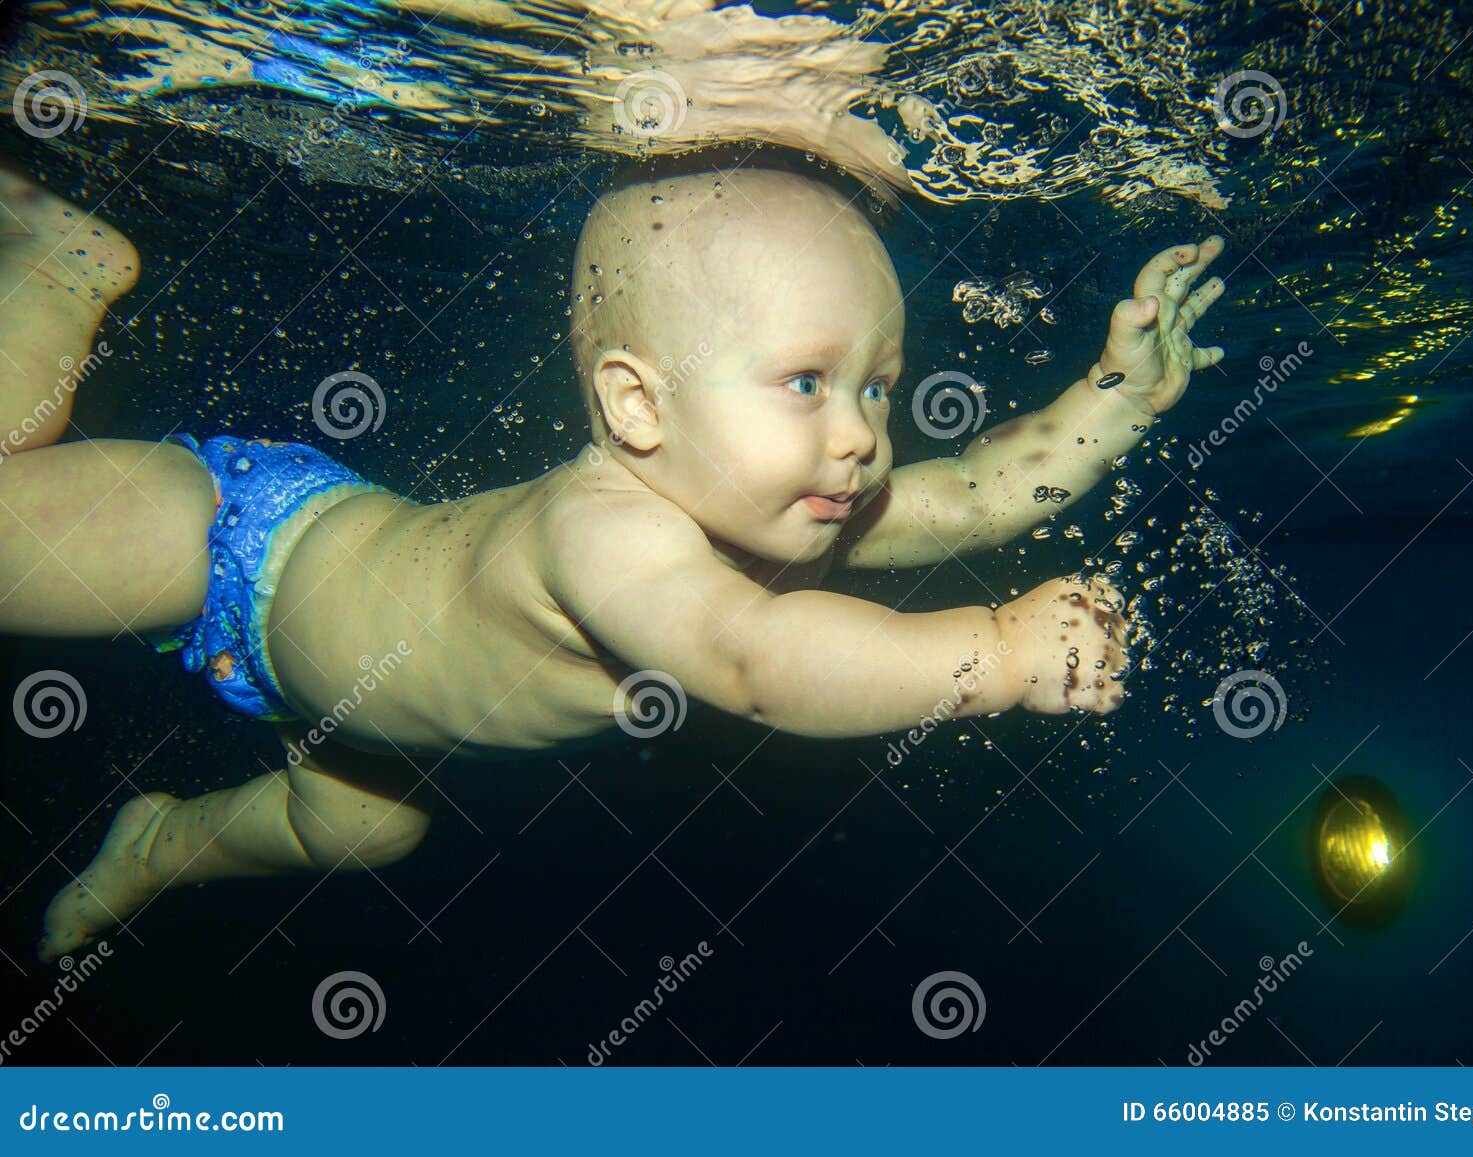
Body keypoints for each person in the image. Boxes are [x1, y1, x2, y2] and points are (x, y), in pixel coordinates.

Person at [0, 158, 1225, 960]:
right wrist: (993, 652)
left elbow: (972, 495)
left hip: (355, 726)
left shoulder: (804, 498)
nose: (858, 431)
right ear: (638, 406)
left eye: (875, 386)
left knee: (365, 836)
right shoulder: (607, 534)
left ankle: (157, 845)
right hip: (235, 545)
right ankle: (63, 276)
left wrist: (1117, 394)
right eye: (805, 380)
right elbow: (752, 659)